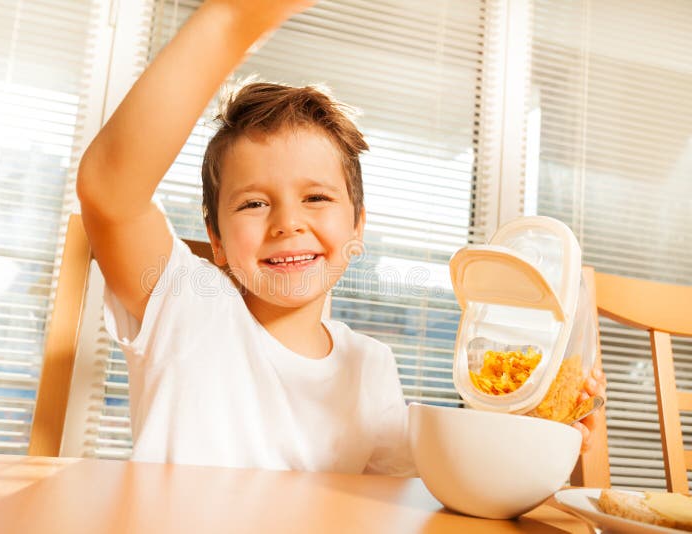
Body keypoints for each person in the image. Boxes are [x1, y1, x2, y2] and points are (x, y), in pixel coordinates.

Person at [76, 0, 603, 476]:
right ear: (215, 238)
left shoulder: (370, 367)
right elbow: (108, 192)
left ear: (357, 230)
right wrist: (230, 18)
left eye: (317, 198)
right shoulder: (184, 305)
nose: (288, 223)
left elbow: (420, 496)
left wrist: (536, 421)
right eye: (255, 203)